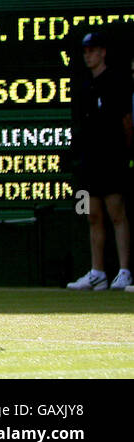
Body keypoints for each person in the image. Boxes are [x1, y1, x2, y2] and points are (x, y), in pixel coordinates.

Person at [66, 32, 132, 291]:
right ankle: (98, 273)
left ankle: (124, 271)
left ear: (103, 52)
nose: (88, 55)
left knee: (117, 213)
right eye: (85, 51)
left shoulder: (115, 82)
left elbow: (126, 122)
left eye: (92, 50)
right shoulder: (84, 87)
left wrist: (126, 153)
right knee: (93, 215)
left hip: (112, 159)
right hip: (89, 161)